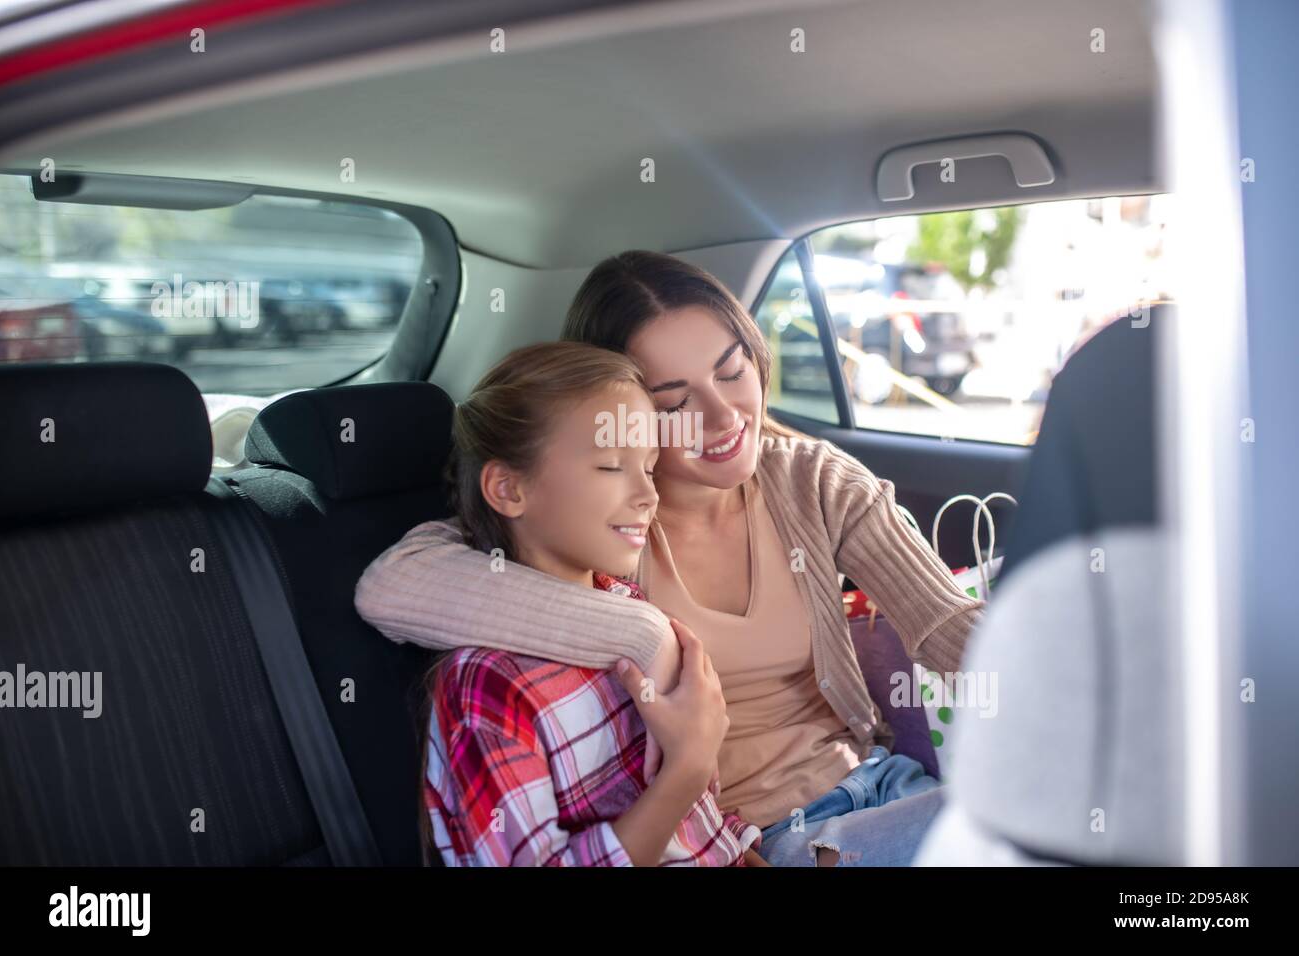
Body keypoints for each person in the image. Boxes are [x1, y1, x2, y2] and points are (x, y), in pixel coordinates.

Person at [359, 252, 984, 866]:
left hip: (883, 785)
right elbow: (394, 586)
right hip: (760, 838)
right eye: (673, 402)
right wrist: (643, 632)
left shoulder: (811, 481)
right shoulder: (602, 529)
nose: (722, 415)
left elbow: (946, 625)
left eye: (732, 371)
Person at [422, 341, 762, 866]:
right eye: (611, 466)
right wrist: (687, 770)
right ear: (509, 488)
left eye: (648, 467)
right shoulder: (488, 685)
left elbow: (704, 827)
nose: (649, 494)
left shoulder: (626, 608)